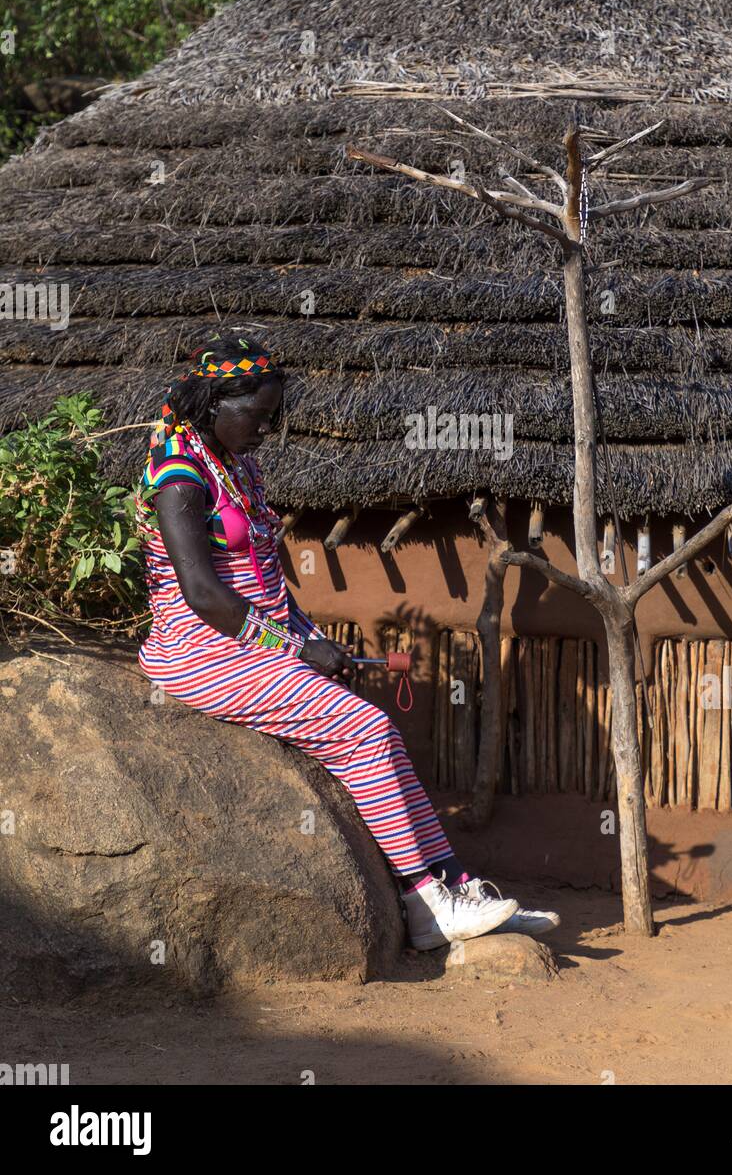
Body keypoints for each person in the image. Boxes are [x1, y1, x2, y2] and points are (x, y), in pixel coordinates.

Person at [133, 331, 559, 950]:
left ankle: (455, 884)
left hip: (250, 641)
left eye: (271, 417)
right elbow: (203, 593)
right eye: (255, 416)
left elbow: (269, 585)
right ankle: (423, 903)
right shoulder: (177, 474)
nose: (265, 429)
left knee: (373, 726)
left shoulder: (238, 466)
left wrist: (308, 639)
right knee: (362, 729)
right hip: (199, 649)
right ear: (214, 404)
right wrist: (299, 650)